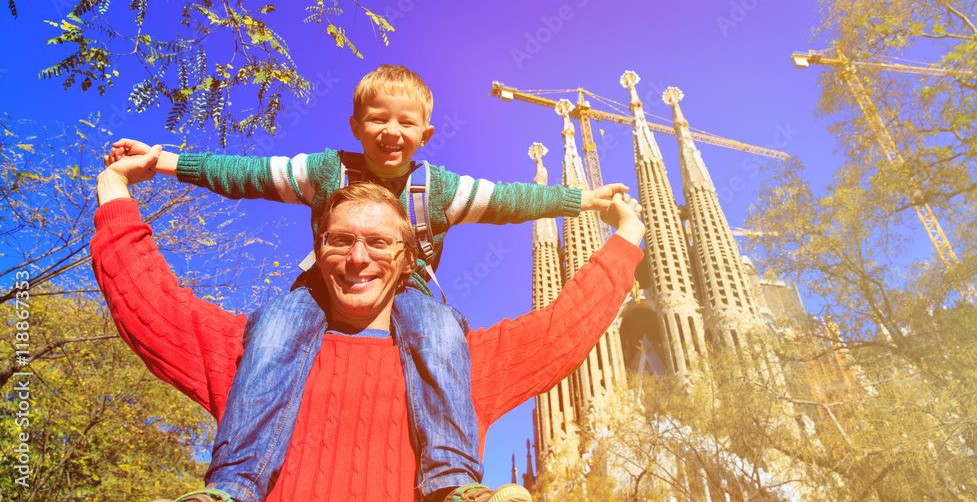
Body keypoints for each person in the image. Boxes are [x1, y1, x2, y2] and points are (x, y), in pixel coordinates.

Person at [106, 65, 632, 502]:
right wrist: (164, 161)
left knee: (439, 328)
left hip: (417, 295)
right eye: (377, 118)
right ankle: (233, 485)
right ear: (356, 125)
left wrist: (585, 202)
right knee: (276, 326)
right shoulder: (325, 170)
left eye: (406, 123)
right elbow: (247, 173)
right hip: (314, 294)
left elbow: (513, 201)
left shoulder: (439, 189)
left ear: (426, 134)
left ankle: (452, 482)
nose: (390, 131)